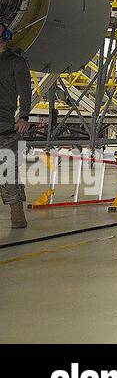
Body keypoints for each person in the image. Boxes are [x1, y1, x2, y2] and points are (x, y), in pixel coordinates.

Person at [0, 26, 31, 229]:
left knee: (7, 173)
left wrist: (24, 116)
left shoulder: (15, 62)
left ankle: (16, 213)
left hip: (5, 128)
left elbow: (25, 91)